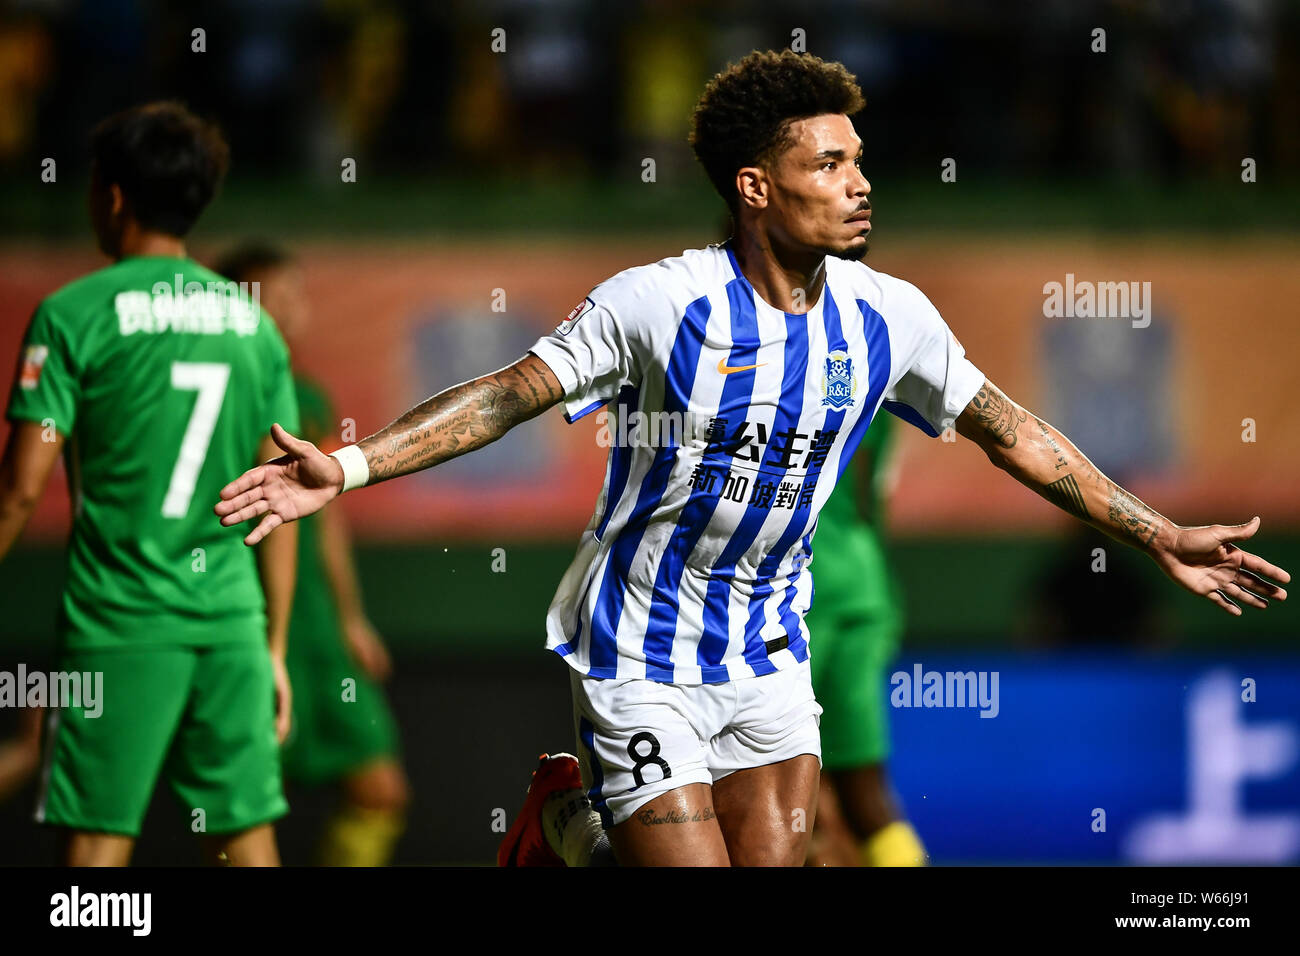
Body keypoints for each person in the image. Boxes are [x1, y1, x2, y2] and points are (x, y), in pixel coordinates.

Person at [214, 51, 1289, 867]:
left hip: (771, 651)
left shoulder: (891, 317)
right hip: (636, 647)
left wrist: (1157, 533)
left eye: (859, 159)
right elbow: (503, 394)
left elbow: (1016, 434)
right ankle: (572, 812)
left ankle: (573, 822)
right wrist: (346, 469)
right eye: (829, 162)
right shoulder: (658, 300)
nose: (861, 181)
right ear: (755, 187)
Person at [0, 101, 299, 866]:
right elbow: (282, 495)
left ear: (112, 195)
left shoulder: (74, 315)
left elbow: (19, 492)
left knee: (99, 846)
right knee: (247, 842)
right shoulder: (252, 325)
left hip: (120, 624)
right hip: (231, 621)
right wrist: (271, 647)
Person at [214, 243, 409, 866]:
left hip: (316, 625)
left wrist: (351, 618)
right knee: (237, 801)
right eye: (276, 295)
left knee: (380, 789)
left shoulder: (307, 398)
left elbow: (326, 526)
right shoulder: (211, 393)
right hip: (237, 615)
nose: (293, 308)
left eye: (297, 294)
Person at [802, 413, 925, 866]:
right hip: (863, 591)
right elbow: (868, 499)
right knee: (864, 791)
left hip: (789, 598)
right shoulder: (868, 381)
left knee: (774, 791)